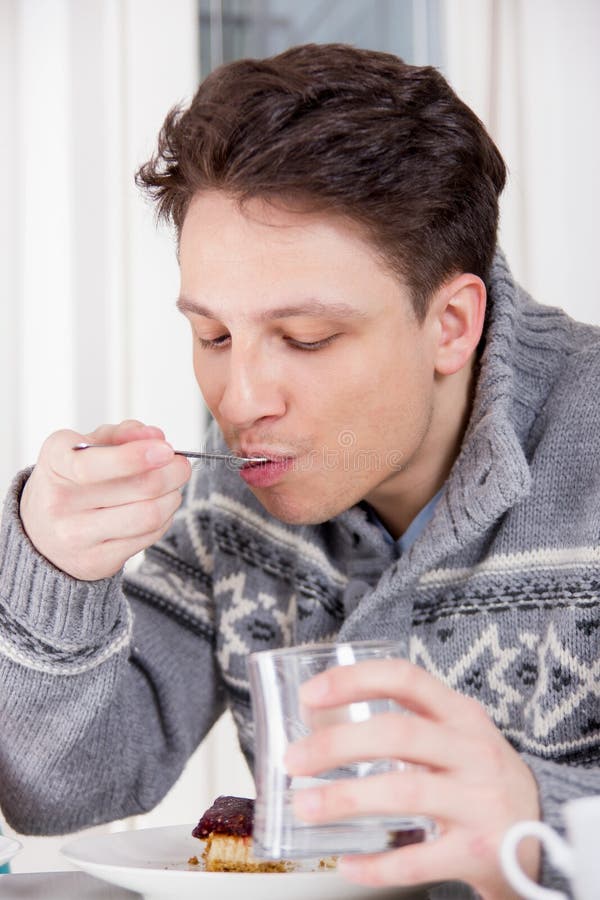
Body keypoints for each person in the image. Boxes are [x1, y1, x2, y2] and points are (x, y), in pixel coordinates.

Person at [0, 42, 598, 899]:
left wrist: (540, 825)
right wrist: (53, 569)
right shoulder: (231, 496)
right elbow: (67, 787)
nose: (240, 398)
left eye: (307, 340)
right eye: (212, 335)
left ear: (452, 324)